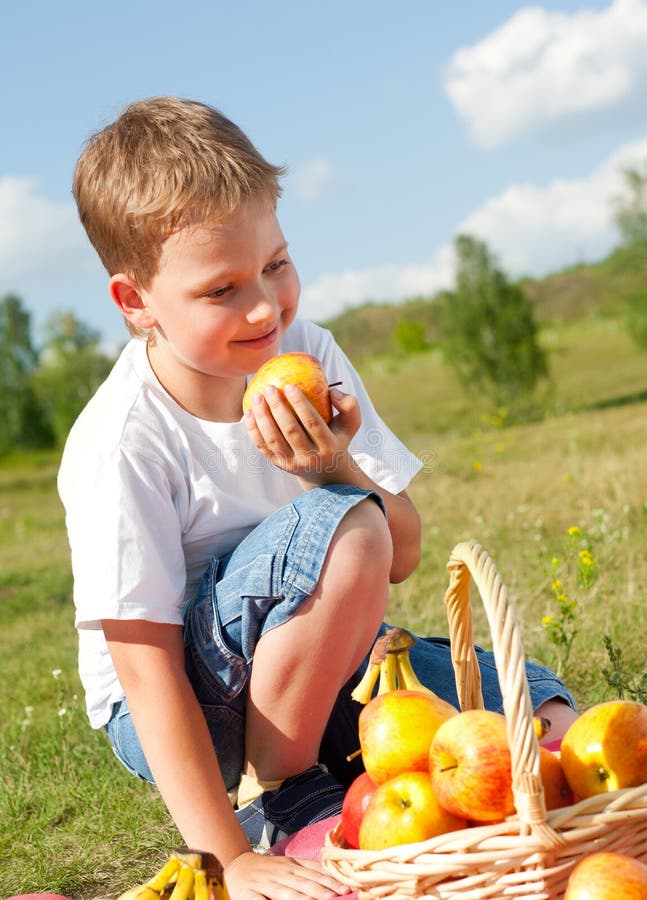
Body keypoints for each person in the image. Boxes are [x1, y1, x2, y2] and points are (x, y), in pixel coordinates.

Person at [58, 96, 577, 900]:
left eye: (276, 264)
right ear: (135, 303)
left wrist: (332, 463)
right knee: (345, 530)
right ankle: (279, 800)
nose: (265, 306)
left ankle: (330, 779)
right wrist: (226, 859)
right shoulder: (123, 440)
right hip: (188, 711)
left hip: (325, 662)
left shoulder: (309, 351)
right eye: (220, 289)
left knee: (542, 722)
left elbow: (402, 554)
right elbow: (144, 666)